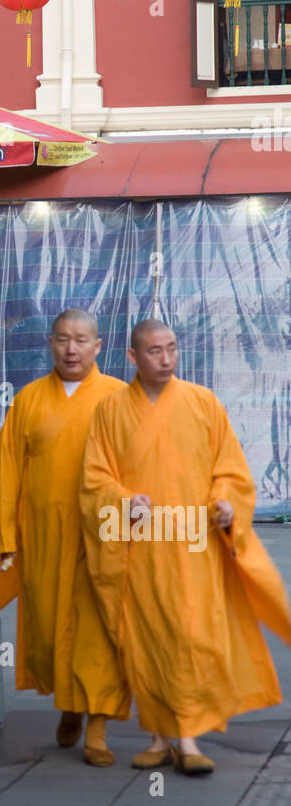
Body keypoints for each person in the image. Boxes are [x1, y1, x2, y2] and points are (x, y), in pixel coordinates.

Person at [80, 319, 291, 775]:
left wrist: (227, 505)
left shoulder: (203, 403)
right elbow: (94, 478)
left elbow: (230, 469)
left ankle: (190, 739)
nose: (166, 358)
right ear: (133, 357)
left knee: (191, 636)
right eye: (154, 351)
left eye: (172, 348)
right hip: (140, 545)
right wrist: (122, 500)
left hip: (194, 543)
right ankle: (159, 738)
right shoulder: (111, 411)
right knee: (149, 641)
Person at [0, 309, 129, 765]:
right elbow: (6, 473)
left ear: (98, 346)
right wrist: (0, 537)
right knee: (51, 629)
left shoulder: (119, 398)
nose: (71, 349)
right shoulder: (29, 400)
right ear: (50, 344)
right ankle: (70, 706)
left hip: (102, 537)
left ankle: (97, 725)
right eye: (62, 340)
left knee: (99, 630)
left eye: (80, 340)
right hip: (44, 538)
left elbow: (144, 465)